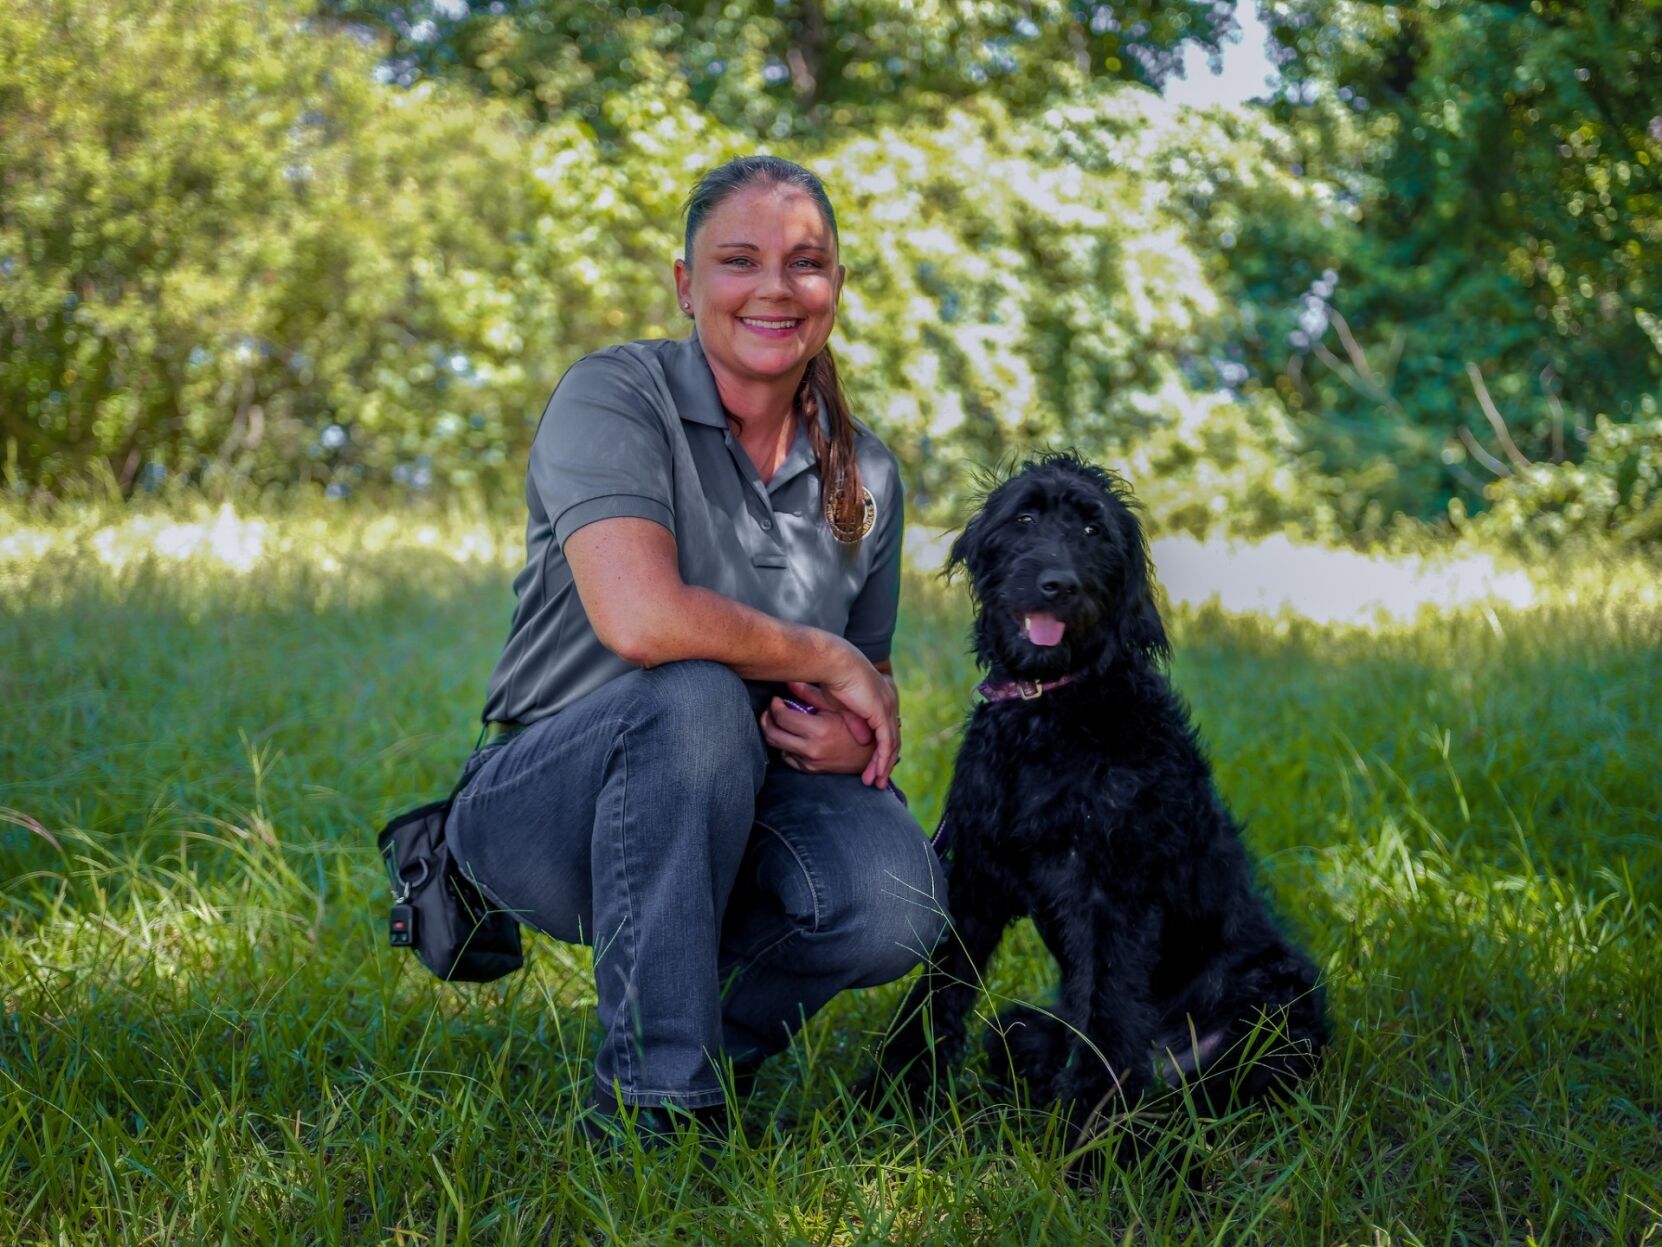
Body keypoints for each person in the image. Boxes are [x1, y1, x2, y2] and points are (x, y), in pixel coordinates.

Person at [444, 155, 949, 1138]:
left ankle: (702, 1044)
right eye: (737, 259)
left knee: (895, 899)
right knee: (696, 695)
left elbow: (868, 670)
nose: (774, 287)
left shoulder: (866, 470)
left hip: (753, 789)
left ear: (836, 287)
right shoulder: (613, 394)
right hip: (551, 793)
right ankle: (653, 1110)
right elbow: (644, 621)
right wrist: (825, 656)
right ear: (685, 284)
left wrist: (858, 732)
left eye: (806, 262)